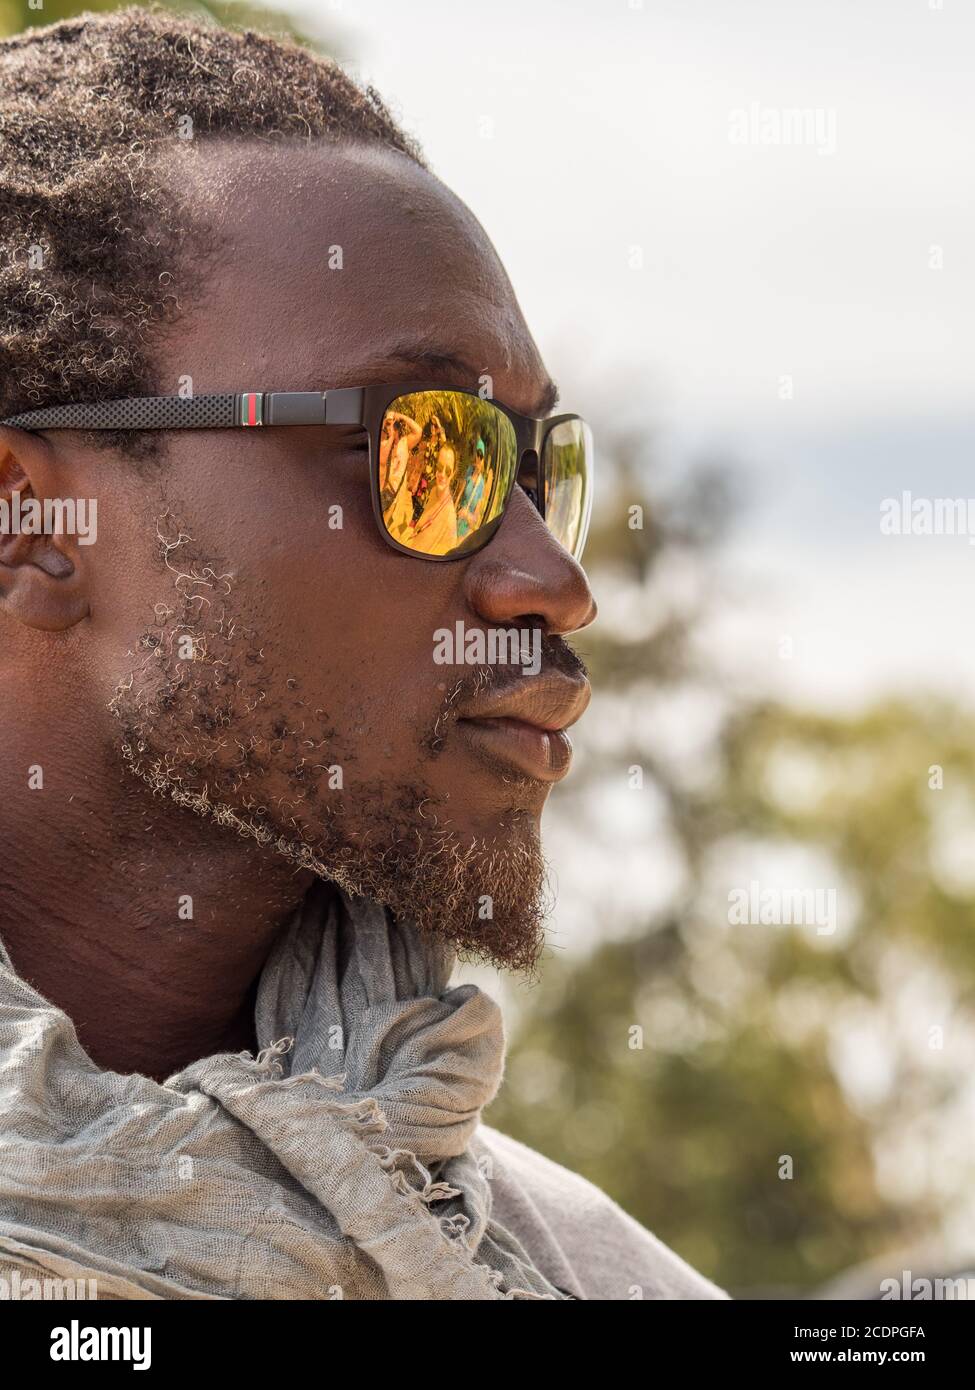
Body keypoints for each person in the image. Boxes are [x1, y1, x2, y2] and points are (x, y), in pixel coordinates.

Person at [0, 9, 726, 1302]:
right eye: (418, 449)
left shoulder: (575, 1274)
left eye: (530, 467)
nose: (549, 583)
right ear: (34, 526)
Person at [403, 444, 460, 555]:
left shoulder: (450, 518)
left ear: (452, 474)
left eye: (448, 471)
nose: (442, 474)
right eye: (439, 468)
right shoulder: (434, 491)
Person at [456, 438, 488, 539]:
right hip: (457, 519)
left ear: (483, 460)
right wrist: (455, 507)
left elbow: (475, 518)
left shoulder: (481, 484)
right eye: (477, 455)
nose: (478, 459)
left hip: (465, 528)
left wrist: (466, 515)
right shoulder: (469, 470)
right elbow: (461, 492)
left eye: (480, 456)